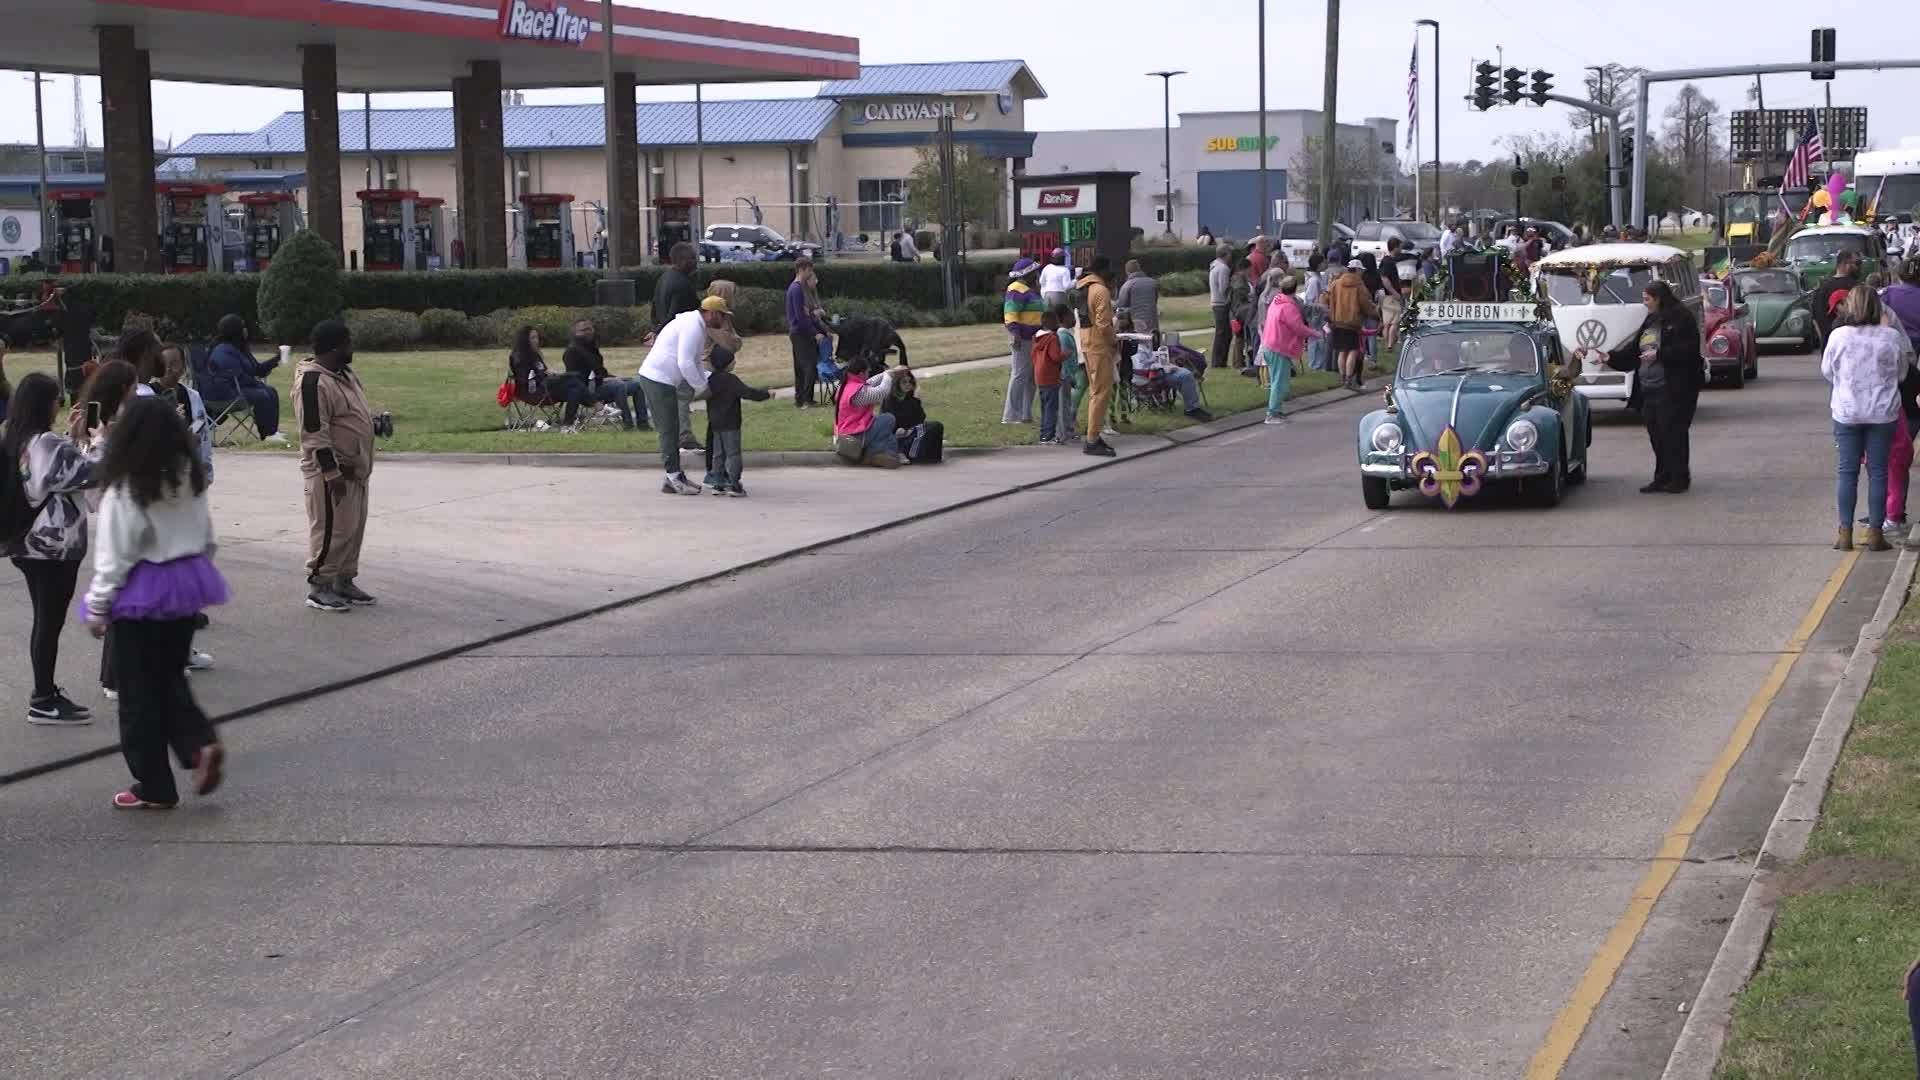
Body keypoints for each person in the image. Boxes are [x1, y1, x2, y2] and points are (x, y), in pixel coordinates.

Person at [79, 397, 228, 810]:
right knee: (169, 679)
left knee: (137, 697)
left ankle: (154, 784)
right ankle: (200, 744)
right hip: (184, 584)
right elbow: (208, 537)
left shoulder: (126, 488)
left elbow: (113, 557)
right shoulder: (188, 477)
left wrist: (97, 606)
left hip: (140, 595)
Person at [3, 372, 97, 724]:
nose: (61, 403)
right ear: (45, 403)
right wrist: (97, 440)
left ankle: (44, 692)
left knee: (44, 620)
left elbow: (61, 473)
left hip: (27, 544)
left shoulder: (18, 440)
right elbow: (92, 473)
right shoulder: (46, 443)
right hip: (54, 548)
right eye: (56, 397)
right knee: (49, 623)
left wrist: (73, 439)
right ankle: (43, 698)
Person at [295, 319, 377, 612]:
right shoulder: (313, 382)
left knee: (352, 530)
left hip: (356, 471)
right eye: (348, 343)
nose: (352, 348)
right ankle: (320, 587)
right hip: (330, 475)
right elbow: (314, 434)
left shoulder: (345, 375)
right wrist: (332, 473)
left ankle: (343, 580)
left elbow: (348, 417)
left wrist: (374, 424)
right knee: (333, 531)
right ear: (335, 347)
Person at [1824, 285, 1910, 551]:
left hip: (1847, 411)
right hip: (1882, 412)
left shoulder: (1839, 336)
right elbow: (1902, 373)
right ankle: (1875, 532)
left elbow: (1828, 371)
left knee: (1847, 472)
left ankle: (1845, 532)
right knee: (1878, 472)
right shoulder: (1891, 337)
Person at [1616, 280, 1705, 495]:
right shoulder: (1650, 320)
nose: (1644, 303)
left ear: (1659, 298)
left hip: (1673, 388)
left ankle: (1679, 477)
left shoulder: (1681, 317)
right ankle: (1662, 476)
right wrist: (1610, 357)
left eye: (1647, 299)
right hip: (1649, 388)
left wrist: (1660, 355)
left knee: (1673, 433)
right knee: (1656, 434)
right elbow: (1633, 350)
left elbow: (1689, 350)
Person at [637, 295, 728, 494]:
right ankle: (673, 477)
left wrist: (707, 379)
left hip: (663, 380)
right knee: (668, 430)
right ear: (711, 313)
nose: (723, 320)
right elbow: (685, 363)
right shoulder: (693, 327)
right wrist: (702, 388)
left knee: (673, 428)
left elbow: (694, 361)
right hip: (658, 380)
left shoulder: (695, 325)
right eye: (722, 316)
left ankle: (675, 475)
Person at [700, 345, 770, 497]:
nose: (735, 363)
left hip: (715, 423)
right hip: (730, 422)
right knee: (733, 454)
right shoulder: (731, 380)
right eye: (733, 361)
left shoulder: (710, 380)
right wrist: (766, 394)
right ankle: (734, 484)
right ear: (727, 363)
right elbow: (748, 393)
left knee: (717, 454)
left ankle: (717, 483)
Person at [207, 314, 287, 443]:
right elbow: (236, 376)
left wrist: (278, 358)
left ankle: (272, 432)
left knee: (271, 391)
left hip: (238, 389)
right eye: (243, 326)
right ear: (235, 330)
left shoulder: (240, 348)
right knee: (262, 395)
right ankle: (266, 434)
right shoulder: (222, 350)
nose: (246, 329)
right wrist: (258, 384)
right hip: (225, 394)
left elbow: (258, 370)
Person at [1260, 275, 1323, 426]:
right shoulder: (1288, 306)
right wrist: (1316, 333)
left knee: (1278, 381)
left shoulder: (1277, 301)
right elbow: (1298, 327)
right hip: (1279, 347)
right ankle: (1272, 413)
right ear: (1295, 289)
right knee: (1279, 383)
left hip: (1270, 345)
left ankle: (1276, 411)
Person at [562, 318, 646, 430]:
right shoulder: (571, 351)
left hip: (602, 384)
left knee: (637, 384)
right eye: (584, 330)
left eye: (590, 328)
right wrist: (603, 379)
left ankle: (643, 423)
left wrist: (614, 377)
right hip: (588, 391)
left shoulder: (592, 348)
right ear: (575, 333)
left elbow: (601, 371)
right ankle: (628, 423)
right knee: (619, 386)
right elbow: (576, 379)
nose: (588, 332)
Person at [1076, 255, 1120, 458]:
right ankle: (1092, 439)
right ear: (1102, 270)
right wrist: (1113, 342)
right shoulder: (1100, 290)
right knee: (1101, 393)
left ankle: (1093, 435)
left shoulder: (1083, 287)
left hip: (1086, 340)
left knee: (1096, 392)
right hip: (1099, 345)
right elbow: (1103, 324)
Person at [833, 352, 901, 467]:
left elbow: (868, 383)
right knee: (888, 419)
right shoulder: (858, 393)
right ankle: (874, 454)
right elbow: (880, 393)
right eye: (868, 372)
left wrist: (887, 373)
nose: (869, 374)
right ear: (861, 373)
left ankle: (888, 453)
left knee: (887, 433)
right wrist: (888, 377)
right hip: (854, 436)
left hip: (845, 433)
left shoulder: (847, 385)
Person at [1001, 257, 1046, 424]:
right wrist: (1015, 333)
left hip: (1034, 339)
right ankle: (1011, 416)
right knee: (1019, 375)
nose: (1037, 274)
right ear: (1027, 273)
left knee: (1031, 377)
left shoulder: (1030, 290)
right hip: (1023, 338)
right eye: (1034, 272)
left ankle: (1025, 415)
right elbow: (1010, 313)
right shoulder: (1016, 289)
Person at [1326, 258, 1379, 391]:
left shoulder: (1336, 283)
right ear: (1357, 271)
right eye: (1361, 271)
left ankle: (1343, 378)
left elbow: (1327, 298)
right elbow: (1366, 306)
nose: (1362, 273)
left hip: (1337, 321)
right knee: (1352, 351)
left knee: (1342, 351)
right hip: (1352, 323)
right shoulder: (1360, 287)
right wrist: (1376, 312)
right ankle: (1350, 380)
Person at [786, 258, 830, 409]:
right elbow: (801, 316)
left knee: (800, 367)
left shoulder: (797, 288)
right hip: (801, 333)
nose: (811, 273)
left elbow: (808, 314)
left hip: (798, 332)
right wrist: (815, 333)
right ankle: (806, 400)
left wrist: (822, 330)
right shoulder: (797, 289)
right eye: (809, 270)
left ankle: (800, 399)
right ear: (802, 270)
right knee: (809, 366)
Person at [879, 365, 943, 463]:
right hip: (897, 434)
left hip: (911, 431)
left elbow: (920, 418)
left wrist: (917, 400)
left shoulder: (912, 400)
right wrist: (902, 429)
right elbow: (888, 421)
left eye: (910, 381)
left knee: (936, 426)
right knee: (923, 428)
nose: (908, 384)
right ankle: (906, 453)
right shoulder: (889, 400)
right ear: (897, 384)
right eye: (904, 382)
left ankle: (934, 457)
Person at [1033, 308, 1070, 445]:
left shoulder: (1036, 338)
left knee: (1044, 407)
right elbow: (1055, 356)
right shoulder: (1052, 339)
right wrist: (1066, 354)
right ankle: (1049, 436)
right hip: (1051, 377)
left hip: (1040, 377)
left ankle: (1043, 434)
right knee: (1051, 409)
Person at [1815, 251, 1864, 342]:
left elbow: (1817, 319)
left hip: (1830, 343)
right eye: (1857, 263)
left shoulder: (1822, 288)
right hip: (1855, 343)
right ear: (1846, 264)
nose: (1860, 267)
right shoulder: (1859, 288)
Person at [651, 241, 700, 331]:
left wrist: (656, 330)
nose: (696, 261)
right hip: (678, 334)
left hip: (665, 334)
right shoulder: (682, 284)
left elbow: (654, 310)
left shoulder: (663, 277)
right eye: (692, 258)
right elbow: (674, 315)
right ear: (682, 261)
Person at [1301, 254, 1332, 372]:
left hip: (1320, 314)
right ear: (1319, 264)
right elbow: (1309, 300)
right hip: (1315, 315)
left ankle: (1319, 363)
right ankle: (1315, 364)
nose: (1326, 263)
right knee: (1316, 339)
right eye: (1324, 262)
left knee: (1320, 339)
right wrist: (1322, 307)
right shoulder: (1314, 281)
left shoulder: (1318, 277)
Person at [1114, 260, 1161, 336]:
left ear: (1127, 271)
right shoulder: (1153, 283)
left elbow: (1122, 306)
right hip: (1153, 321)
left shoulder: (1128, 285)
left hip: (1137, 324)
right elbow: (1154, 300)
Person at [1208, 244, 1234, 369]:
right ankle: (1218, 361)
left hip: (1215, 302)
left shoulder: (1214, 266)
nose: (1231, 256)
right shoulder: (1223, 268)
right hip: (1221, 304)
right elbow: (1224, 288)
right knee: (1223, 333)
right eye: (1230, 254)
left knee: (1223, 333)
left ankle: (1219, 361)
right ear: (1226, 254)